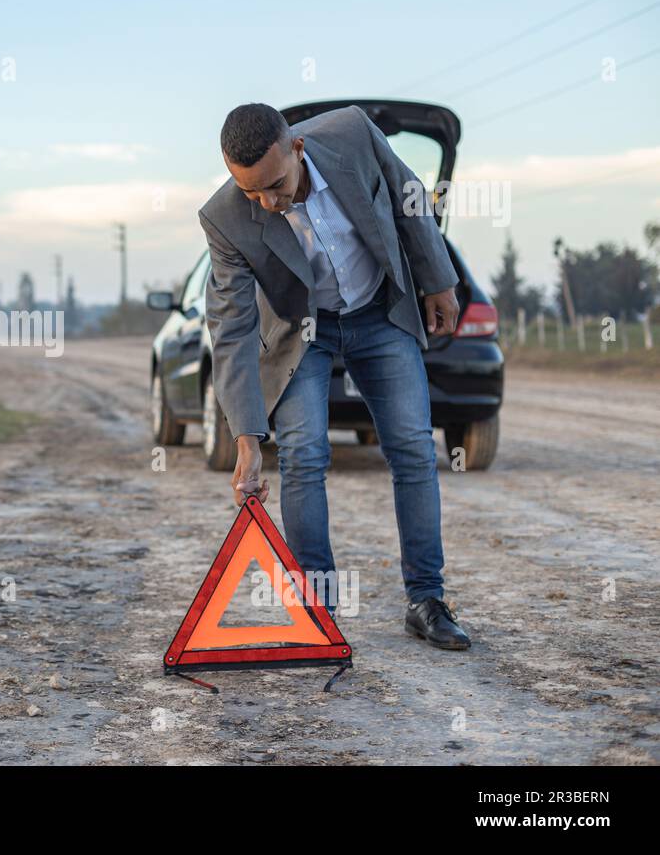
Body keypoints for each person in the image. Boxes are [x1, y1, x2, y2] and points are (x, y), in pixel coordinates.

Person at [198, 102, 470, 650]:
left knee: (414, 447)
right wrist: (246, 439)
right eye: (251, 192)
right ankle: (316, 613)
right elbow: (230, 329)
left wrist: (438, 279)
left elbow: (408, 198)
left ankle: (426, 599)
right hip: (304, 334)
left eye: (274, 186)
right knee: (302, 455)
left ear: (297, 148)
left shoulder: (350, 134)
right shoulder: (223, 217)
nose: (267, 203)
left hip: (378, 311)